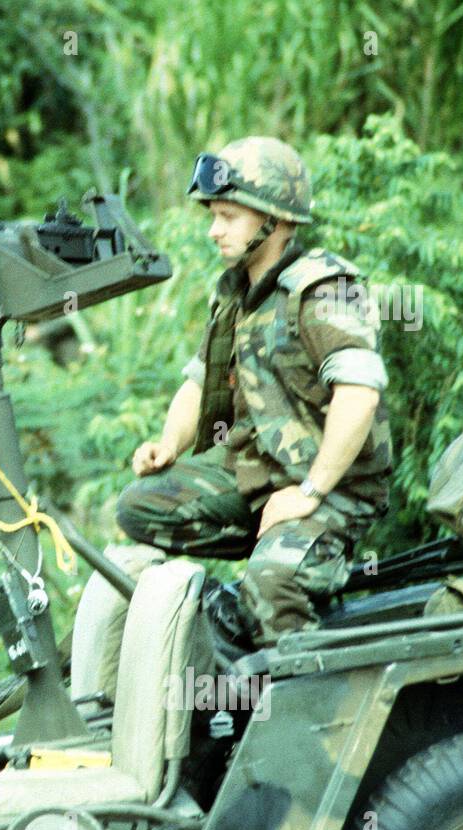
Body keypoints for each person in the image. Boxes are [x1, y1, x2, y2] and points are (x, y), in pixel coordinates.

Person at [116, 136, 394, 645]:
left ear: (276, 219)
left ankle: (296, 692)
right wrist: (169, 444)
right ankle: (269, 562)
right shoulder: (236, 292)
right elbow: (200, 381)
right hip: (257, 472)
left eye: (228, 216)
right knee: (140, 505)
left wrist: (309, 492)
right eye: (213, 216)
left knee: (272, 583)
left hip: (335, 489)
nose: (214, 230)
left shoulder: (323, 289)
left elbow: (360, 397)